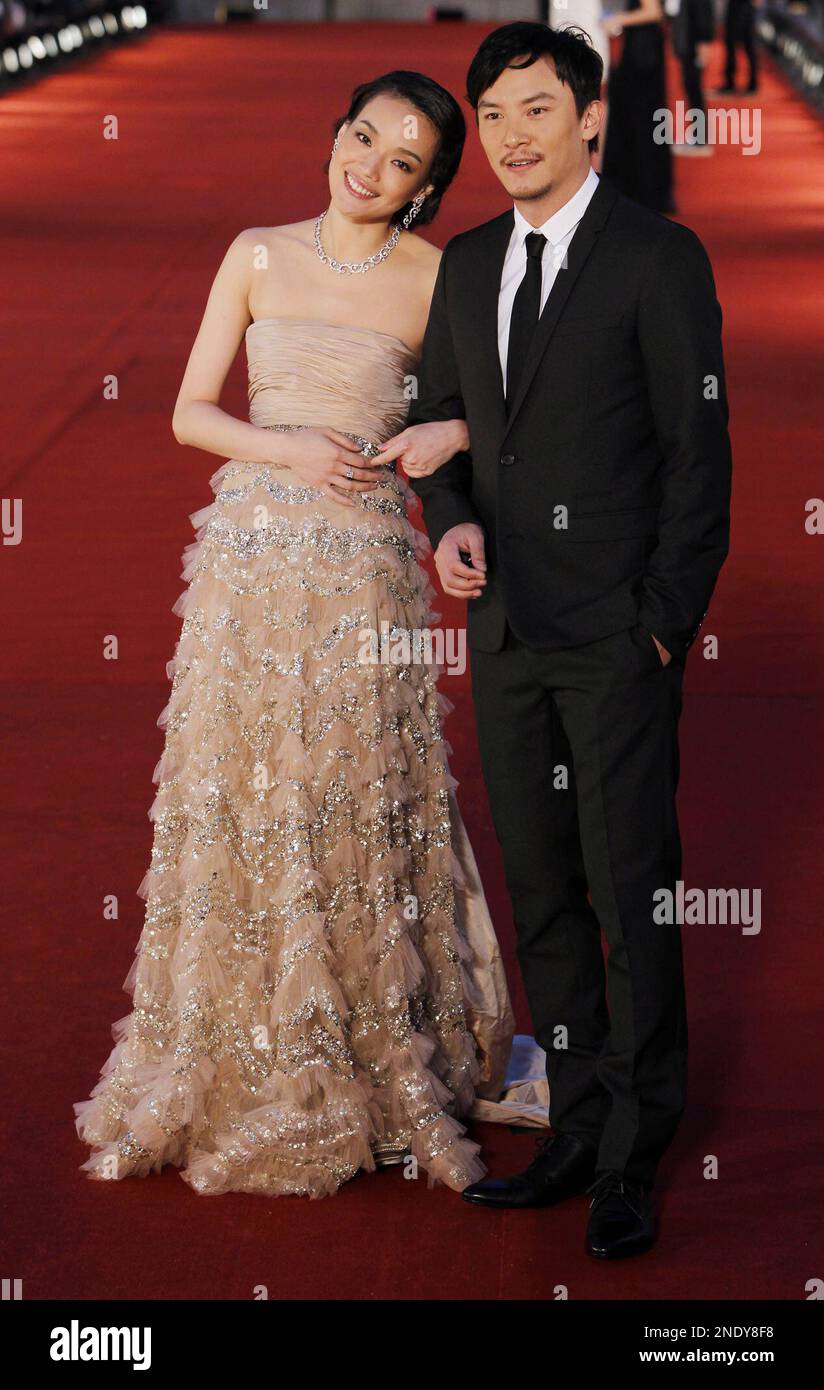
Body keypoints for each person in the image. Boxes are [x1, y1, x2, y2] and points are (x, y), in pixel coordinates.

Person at [74, 70, 516, 1199]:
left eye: (400, 161)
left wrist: (446, 429)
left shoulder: (436, 278)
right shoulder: (256, 251)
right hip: (248, 566)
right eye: (360, 136)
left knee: (354, 796)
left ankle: (373, 1058)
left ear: (422, 191)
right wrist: (287, 450)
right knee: (243, 795)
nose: (366, 166)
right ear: (336, 131)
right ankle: (223, 1053)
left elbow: (490, 417)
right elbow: (189, 413)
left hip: (367, 569)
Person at [380, 21, 731, 1257]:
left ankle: (633, 1149)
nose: (512, 135)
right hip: (508, 629)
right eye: (494, 117)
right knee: (541, 895)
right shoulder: (468, 261)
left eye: (537, 109)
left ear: (589, 119)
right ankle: (574, 1123)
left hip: (616, 636)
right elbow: (444, 415)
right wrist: (453, 519)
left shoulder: (656, 256)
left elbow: (699, 462)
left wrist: (658, 630)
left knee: (628, 894)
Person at [600, 0, 675, 207]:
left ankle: (641, 190)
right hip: (642, 48)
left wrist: (618, 19)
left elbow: (653, 12)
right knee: (639, 118)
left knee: (639, 118)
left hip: (642, 53)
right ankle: (641, 189)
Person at [718, 0, 759, 94]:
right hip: (738, 9)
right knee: (733, 47)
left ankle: (752, 83)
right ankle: (732, 82)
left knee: (747, 48)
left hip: (743, 11)